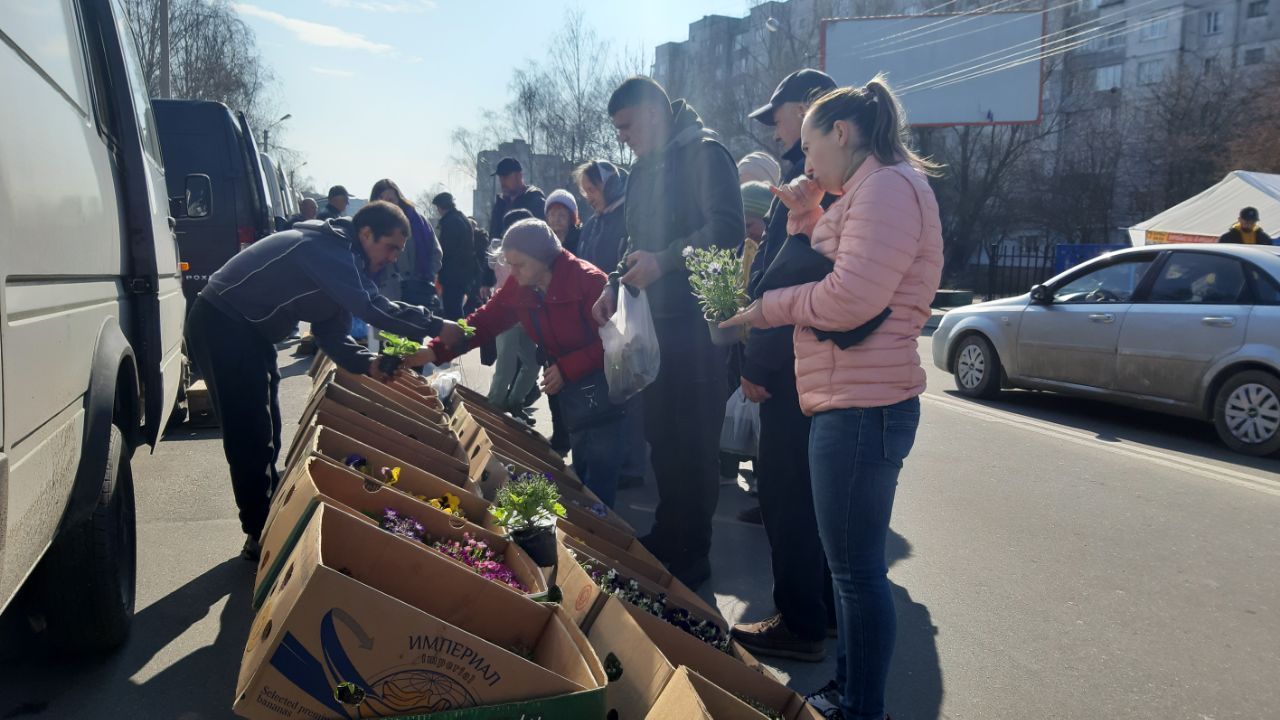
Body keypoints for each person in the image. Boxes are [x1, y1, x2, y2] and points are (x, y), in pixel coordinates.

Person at [722, 77, 944, 720]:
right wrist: (805, 213)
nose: (807, 166)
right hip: (852, 397)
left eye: (812, 152)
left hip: (863, 404)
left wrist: (765, 310)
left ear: (842, 133)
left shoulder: (888, 188)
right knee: (851, 572)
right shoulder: (872, 189)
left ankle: (860, 707)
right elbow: (835, 264)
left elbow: (849, 299)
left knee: (856, 574)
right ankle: (852, 694)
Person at [186, 201, 454, 561]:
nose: (393, 258)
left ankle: (268, 514)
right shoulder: (326, 249)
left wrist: (368, 364)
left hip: (250, 331)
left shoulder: (347, 264)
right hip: (222, 322)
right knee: (248, 431)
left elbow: (331, 331)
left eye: (399, 251)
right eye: (390, 247)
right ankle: (259, 534)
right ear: (365, 234)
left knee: (267, 424)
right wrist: (438, 325)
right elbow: (371, 308)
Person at [592, 76, 745, 588]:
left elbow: (727, 233)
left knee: (694, 446)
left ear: (653, 114)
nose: (623, 138)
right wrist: (614, 283)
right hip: (655, 330)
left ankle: (693, 555)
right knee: (662, 440)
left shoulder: (705, 154)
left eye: (627, 126)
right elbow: (634, 242)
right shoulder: (641, 171)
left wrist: (664, 261)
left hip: (700, 330)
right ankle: (670, 533)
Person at [730, 68, 840, 665]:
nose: (773, 128)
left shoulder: (813, 179)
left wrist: (759, 361)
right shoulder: (834, 172)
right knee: (810, 494)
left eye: (779, 114)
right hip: (815, 362)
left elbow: (790, 274)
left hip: (793, 362)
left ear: (809, 109)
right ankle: (819, 612)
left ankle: (799, 621)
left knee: (788, 492)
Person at [411, 220, 625, 505]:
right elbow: (484, 323)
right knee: (583, 460)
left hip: (601, 383)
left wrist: (566, 368)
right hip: (570, 387)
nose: (512, 272)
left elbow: (613, 343)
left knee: (599, 467)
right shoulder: (523, 284)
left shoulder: (588, 281)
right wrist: (433, 352)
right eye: (510, 264)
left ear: (543, 258)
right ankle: (589, 529)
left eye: (519, 264)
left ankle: (604, 536)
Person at [576, 160, 646, 488]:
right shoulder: (593, 223)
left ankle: (631, 464)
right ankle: (608, 457)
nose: (589, 196)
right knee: (606, 388)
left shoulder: (628, 217)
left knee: (627, 389)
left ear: (610, 184)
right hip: (597, 315)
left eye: (593, 188)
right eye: (585, 191)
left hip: (623, 313)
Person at [486, 208, 541, 421]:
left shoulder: (534, 254)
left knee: (533, 362)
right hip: (506, 318)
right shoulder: (504, 256)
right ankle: (494, 406)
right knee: (506, 364)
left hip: (525, 318)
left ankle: (515, 402)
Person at [371, 178, 443, 312]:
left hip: (416, 293)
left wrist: (425, 276)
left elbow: (436, 253)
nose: (386, 204)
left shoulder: (417, 221)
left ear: (398, 200)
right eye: (381, 199)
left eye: (391, 199)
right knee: (387, 332)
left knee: (415, 329)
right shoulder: (370, 226)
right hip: (384, 294)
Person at [432, 192, 479, 320]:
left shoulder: (450, 222)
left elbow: (445, 250)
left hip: (452, 274)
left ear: (440, 207)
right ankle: (460, 336)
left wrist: (438, 270)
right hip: (463, 273)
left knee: (452, 310)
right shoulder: (462, 219)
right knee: (457, 308)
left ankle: (457, 338)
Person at [488, 157, 546, 241]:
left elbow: (540, 236)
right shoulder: (500, 204)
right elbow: (493, 237)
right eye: (500, 177)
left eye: (506, 176)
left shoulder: (535, 201)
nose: (502, 181)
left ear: (519, 176)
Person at [545, 189, 582, 256]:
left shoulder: (580, 242)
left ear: (571, 219)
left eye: (562, 215)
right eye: (552, 214)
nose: (556, 219)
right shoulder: (544, 242)